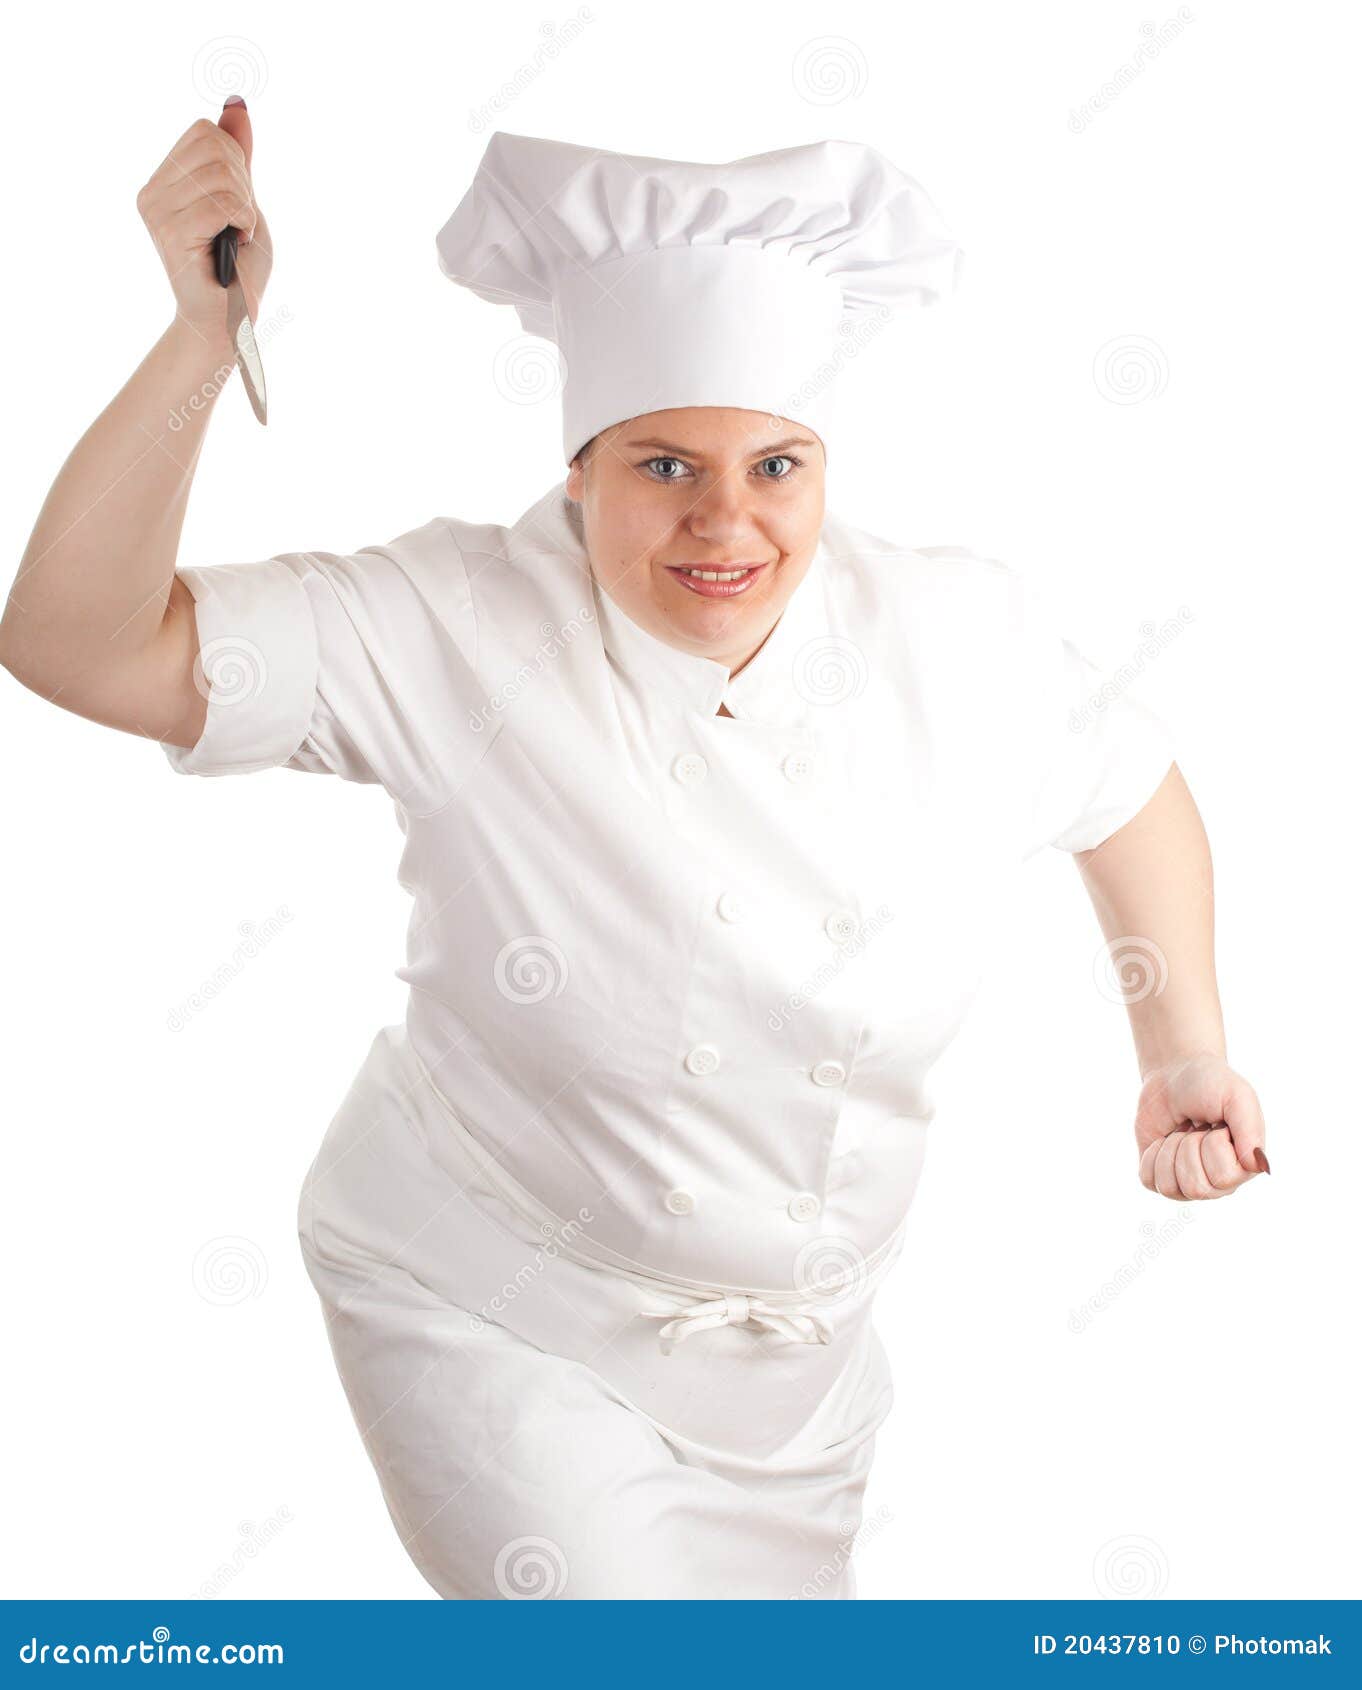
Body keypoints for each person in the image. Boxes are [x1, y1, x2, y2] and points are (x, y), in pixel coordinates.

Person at [0, 109, 1270, 1602]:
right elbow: (73, 643)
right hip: (495, 1308)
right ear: (577, 475)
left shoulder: (955, 637)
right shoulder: (454, 623)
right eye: (665, 466)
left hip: (799, 1379)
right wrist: (200, 343)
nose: (728, 522)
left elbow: (1126, 787)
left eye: (776, 467)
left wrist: (1180, 1047)